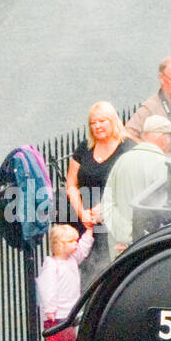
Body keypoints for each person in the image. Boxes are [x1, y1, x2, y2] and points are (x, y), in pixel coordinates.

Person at [67, 101, 132, 283]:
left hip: (112, 224)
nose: (97, 126)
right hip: (85, 223)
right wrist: (81, 213)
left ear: (112, 121)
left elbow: (132, 187)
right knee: (86, 274)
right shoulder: (84, 148)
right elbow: (71, 183)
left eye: (102, 121)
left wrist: (105, 209)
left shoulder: (126, 147)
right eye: (93, 123)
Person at [99, 115, 171, 254]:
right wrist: (136, 237)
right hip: (149, 247)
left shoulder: (121, 161)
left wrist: (125, 235)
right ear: (164, 138)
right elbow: (165, 211)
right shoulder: (164, 165)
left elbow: (106, 204)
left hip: (119, 246)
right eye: (170, 137)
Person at [37, 224, 94, 341]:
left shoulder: (72, 259)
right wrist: (50, 308)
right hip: (56, 311)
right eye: (71, 241)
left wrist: (88, 233)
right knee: (55, 338)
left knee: (68, 337)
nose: (76, 243)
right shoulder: (52, 265)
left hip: (70, 308)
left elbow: (83, 250)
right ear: (59, 245)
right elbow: (47, 288)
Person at [125, 56, 171, 153]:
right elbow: (127, 135)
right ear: (161, 78)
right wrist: (149, 150)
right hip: (166, 165)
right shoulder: (150, 107)